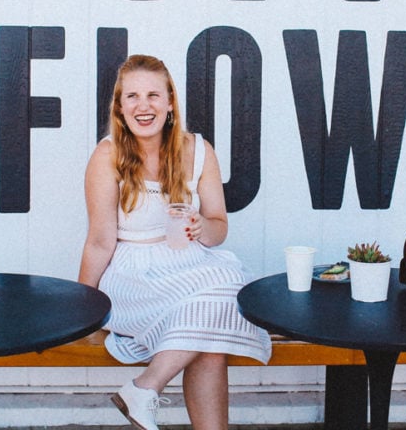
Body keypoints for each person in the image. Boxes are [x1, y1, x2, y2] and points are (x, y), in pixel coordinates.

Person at [78, 54, 271, 430]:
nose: (143, 105)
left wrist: (201, 226)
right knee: (219, 305)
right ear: (120, 107)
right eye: (132, 96)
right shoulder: (108, 155)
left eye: (153, 95)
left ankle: (146, 387)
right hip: (134, 273)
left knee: (220, 320)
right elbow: (100, 241)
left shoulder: (199, 150)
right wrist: (80, 305)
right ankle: (143, 390)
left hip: (189, 263)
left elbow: (218, 228)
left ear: (170, 103)